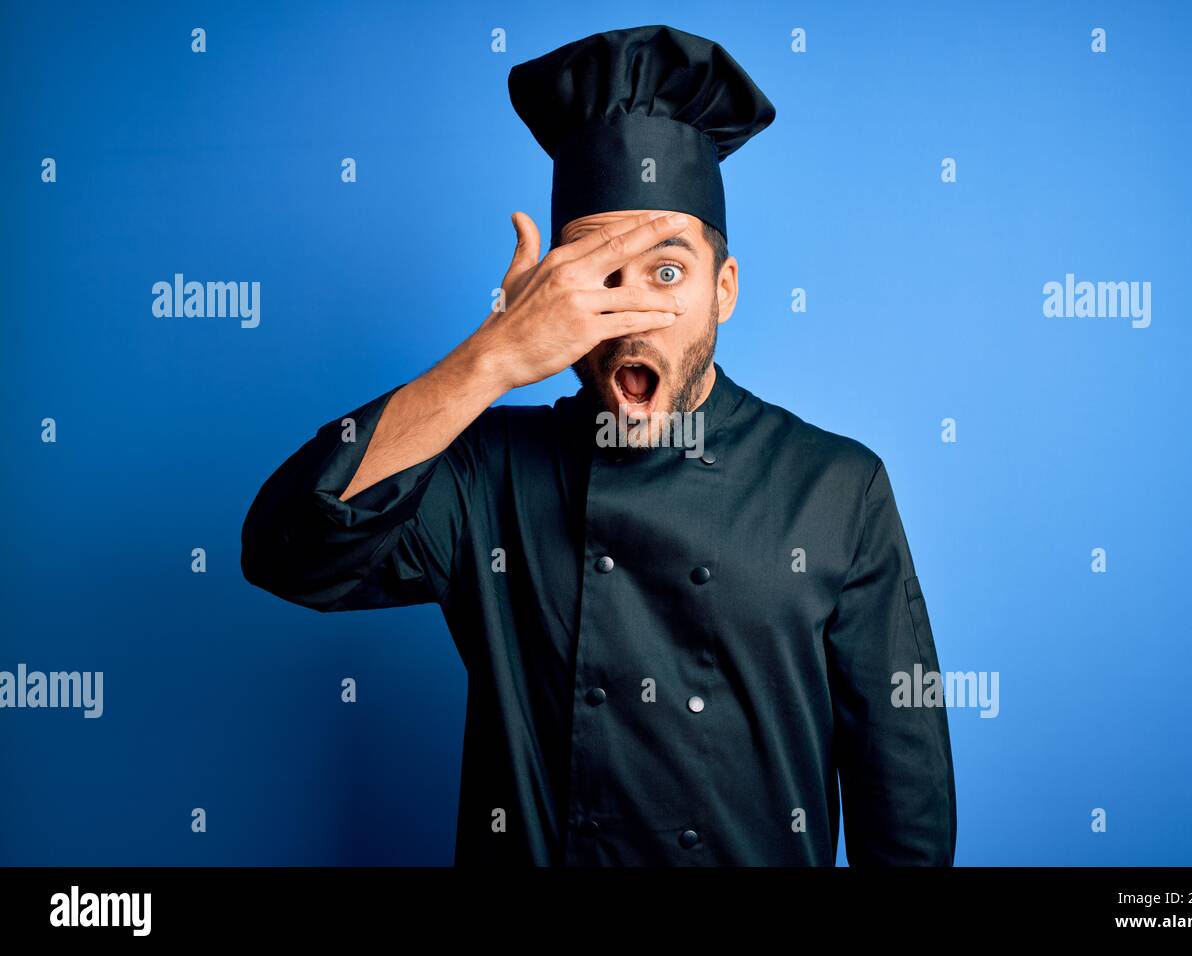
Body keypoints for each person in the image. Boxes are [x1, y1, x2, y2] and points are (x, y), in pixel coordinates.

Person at [241, 24, 956, 866]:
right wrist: (494, 356)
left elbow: (903, 801)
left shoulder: (837, 486)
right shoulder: (485, 472)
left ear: (724, 291)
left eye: (667, 270)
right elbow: (289, 551)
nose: (633, 308)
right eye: (596, 275)